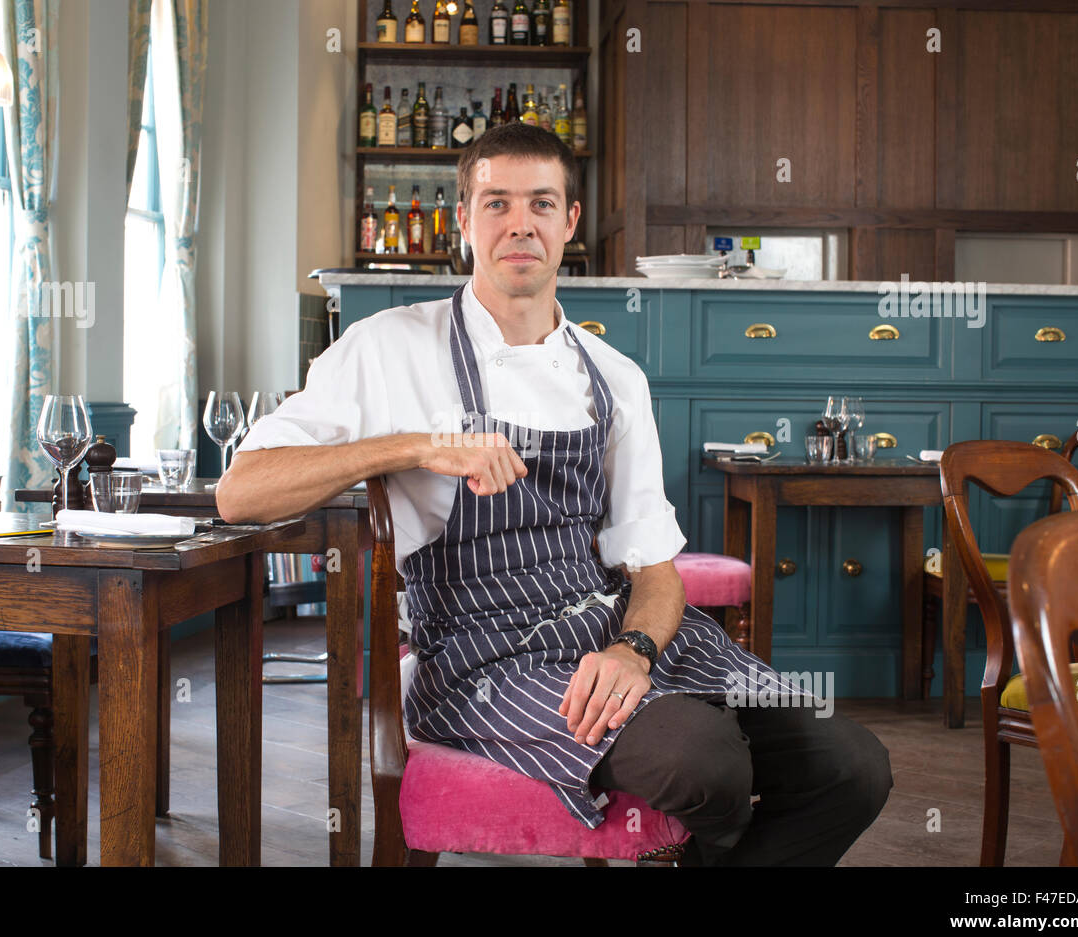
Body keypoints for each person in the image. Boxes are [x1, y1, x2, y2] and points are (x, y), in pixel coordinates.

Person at [219, 123, 892, 865]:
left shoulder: (614, 377)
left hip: (615, 635)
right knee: (704, 761)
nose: (519, 224)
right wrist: (415, 446)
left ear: (569, 222)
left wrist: (634, 650)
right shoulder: (386, 347)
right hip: (484, 658)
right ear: (466, 220)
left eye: (541, 203)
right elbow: (241, 493)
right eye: (496, 203)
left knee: (852, 766)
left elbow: (654, 568)